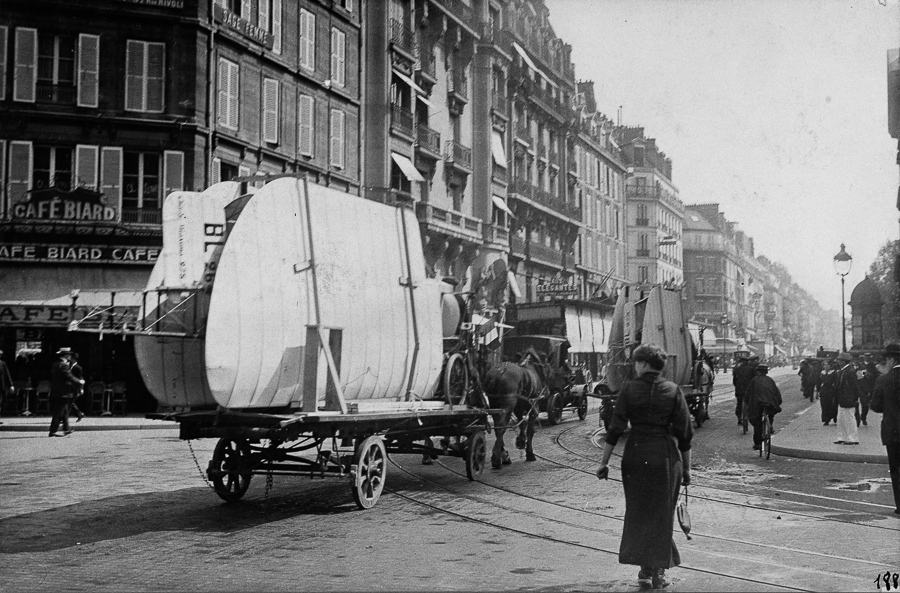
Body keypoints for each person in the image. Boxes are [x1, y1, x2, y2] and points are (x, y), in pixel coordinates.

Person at [596, 344, 693, 589]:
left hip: (636, 456)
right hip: (665, 459)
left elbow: (615, 429)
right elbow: (684, 435)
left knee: (639, 511)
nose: (635, 367)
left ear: (644, 364)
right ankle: (659, 572)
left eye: (637, 362)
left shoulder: (629, 389)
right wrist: (688, 470)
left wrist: (604, 462)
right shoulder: (673, 391)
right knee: (662, 514)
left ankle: (645, 568)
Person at [869, 343, 900, 515]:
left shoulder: (883, 380)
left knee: (896, 469)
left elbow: (875, 405)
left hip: (893, 431)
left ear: (891, 359)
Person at [744, 364, 783, 450]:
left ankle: (757, 443)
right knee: (771, 412)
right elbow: (776, 393)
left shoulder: (754, 380)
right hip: (769, 403)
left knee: (757, 422)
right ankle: (770, 425)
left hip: (757, 404)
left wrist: (747, 403)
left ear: (758, 371)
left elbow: (748, 394)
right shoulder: (770, 380)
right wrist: (778, 402)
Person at [48, 347, 84, 437]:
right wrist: (79, 381)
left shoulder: (55, 364)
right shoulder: (63, 365)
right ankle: (53, 430)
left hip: (57, 390)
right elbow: (69, 376)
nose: (70, 357)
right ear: (66, 355)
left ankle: (66, 428)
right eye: (69, 355)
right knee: (59, 412)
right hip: (63, 392)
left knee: (64, 411)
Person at [834, 351, 861, 446]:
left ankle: (852, 438)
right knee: (841, 418)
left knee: (849, 418)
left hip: (848, 397)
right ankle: (842, 437)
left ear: (844, 361)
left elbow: (855, 386)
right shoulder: (843, 371)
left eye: (839, 360)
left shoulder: (850, 372)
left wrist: (854, 398)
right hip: (843, 398)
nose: (837, 361)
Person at [733, 353, 756, 425]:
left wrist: (737, 386)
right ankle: (749, 416)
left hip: (739, 389)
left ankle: (739, 418)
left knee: (739, 403)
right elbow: (754, 379)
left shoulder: (736, 369)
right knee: (749, 403)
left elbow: (734, 381)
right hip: (748, 390)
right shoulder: (751, 369)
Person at [856, 357, 878, 427]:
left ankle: (863, 417)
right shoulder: (853, 369)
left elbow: (870, 377)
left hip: (864, 389)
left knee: (865, 405)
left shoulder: (865, 369)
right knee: (855, 405)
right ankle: (857, 419)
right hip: (855, 388)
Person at [819, 359, 839, 426]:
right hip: (824, 391)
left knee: (832, 405)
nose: (826, 366)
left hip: (831, 390)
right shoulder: (822, 373)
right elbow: (819, 383)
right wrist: (818, 391)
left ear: (830, 366)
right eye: (825, 365)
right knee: (824, 405)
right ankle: (826, 419)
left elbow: (836, 382)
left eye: (827, 365)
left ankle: (834, 416)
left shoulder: (834, 373)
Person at [69, 353, 86, 422]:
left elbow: (80, 378)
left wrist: (81, 388)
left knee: (69, 401)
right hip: (70, 386)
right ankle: (79, 414)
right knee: (69, 402)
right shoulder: (70, 366)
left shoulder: (78, 368)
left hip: (75, 387)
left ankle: (79, 414)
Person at [0, 349, 14, 424]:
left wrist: (11, 384)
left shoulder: (3, 364)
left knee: (1, 401)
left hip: (1, 386)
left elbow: (7, 374)